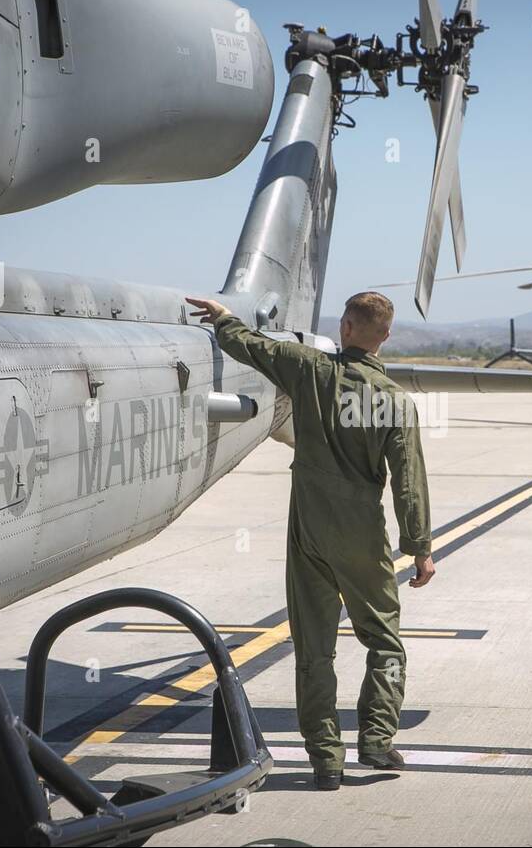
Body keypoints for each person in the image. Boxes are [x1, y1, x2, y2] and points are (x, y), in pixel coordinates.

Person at [186, 291, 434, 790]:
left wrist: (225, 319)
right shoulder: (395, 402)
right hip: (363, 533)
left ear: (345, 327)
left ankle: (325, 760)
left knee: (313, 649)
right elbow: (409, 480)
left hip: (310, 529)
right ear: (385, 336)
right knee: (383, 641)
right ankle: (377, 741)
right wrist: (419, 548)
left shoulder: (309, 369)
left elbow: (253, 346)